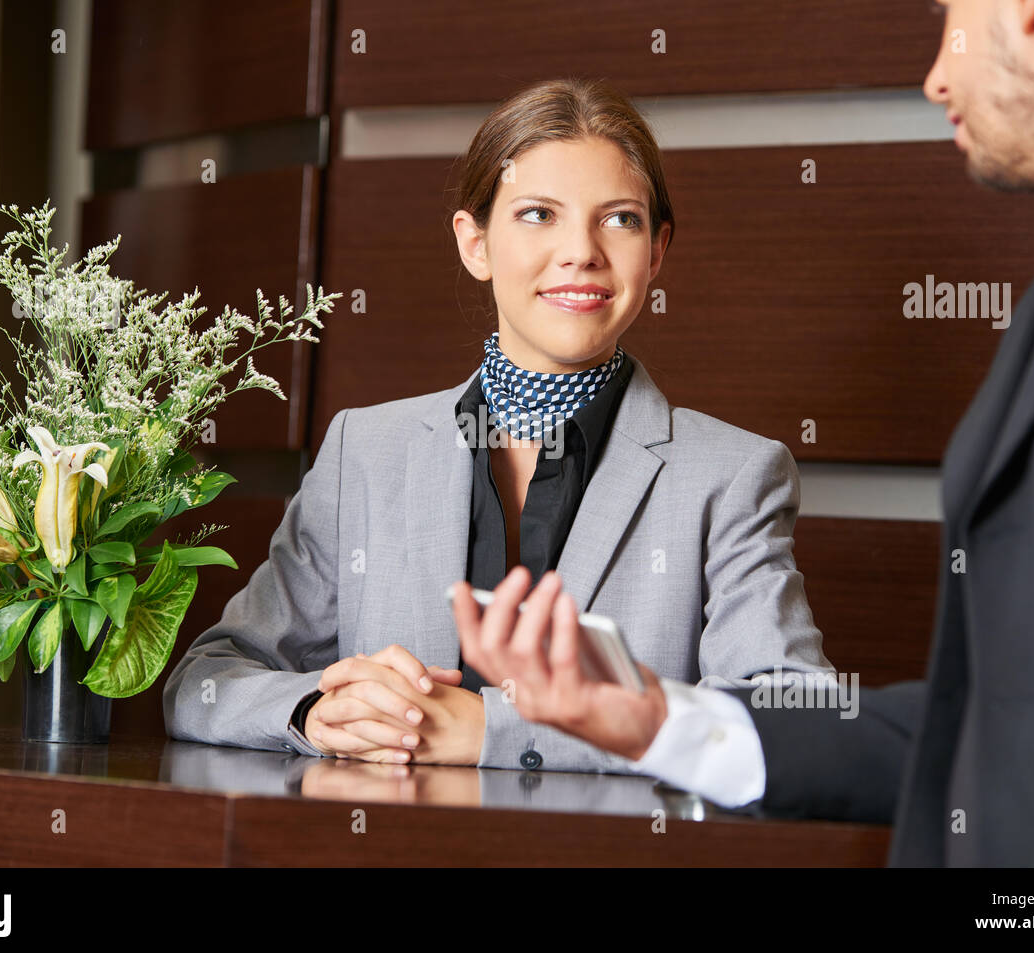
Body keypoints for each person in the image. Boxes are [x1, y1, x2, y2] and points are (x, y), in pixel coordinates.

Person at [455, 0, 1034, 865]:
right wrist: (656, 718)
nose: (938, 73)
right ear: (472, 241)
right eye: (537, 214)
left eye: (951, 17)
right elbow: (1002, 723)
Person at [163, 78, 833, 771]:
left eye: (620, 219)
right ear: (474, 242)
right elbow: (206, 680)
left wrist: (494, 729)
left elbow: (788, 715)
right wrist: (316, 710)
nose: (581, 251)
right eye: (539, 214)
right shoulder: (363, 452)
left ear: (656, 251)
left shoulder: (732, 474)